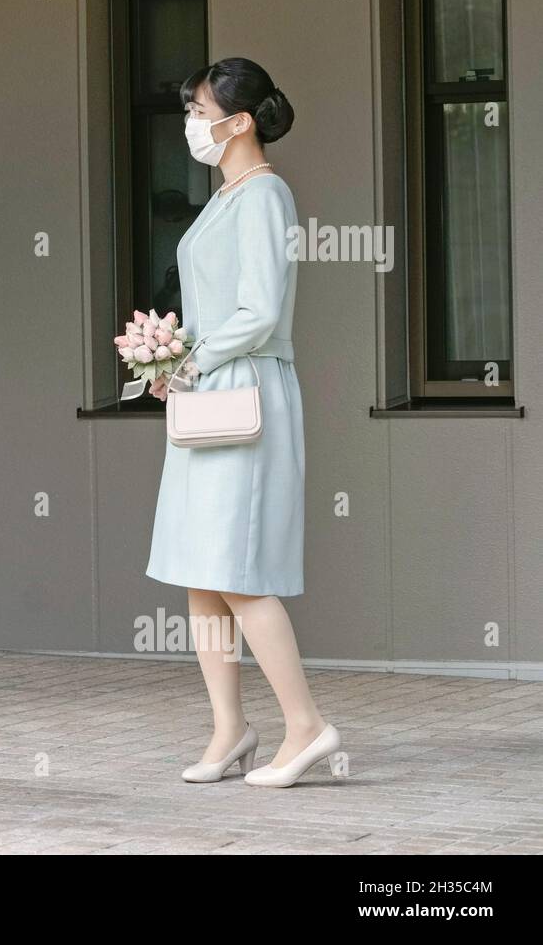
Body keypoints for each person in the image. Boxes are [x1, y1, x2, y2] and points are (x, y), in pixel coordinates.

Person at [145, 57, 346, 787]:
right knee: (202, 571)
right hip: (209, 389)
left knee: (237, 569)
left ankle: (307, 726)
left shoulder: (264, 196)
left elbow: (259, 311)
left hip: (245, 389)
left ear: (241, 120)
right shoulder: (225, 196)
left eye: (201, 108)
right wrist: (171, 359)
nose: (192, 122)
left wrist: (191, 361)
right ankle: (231, 728)